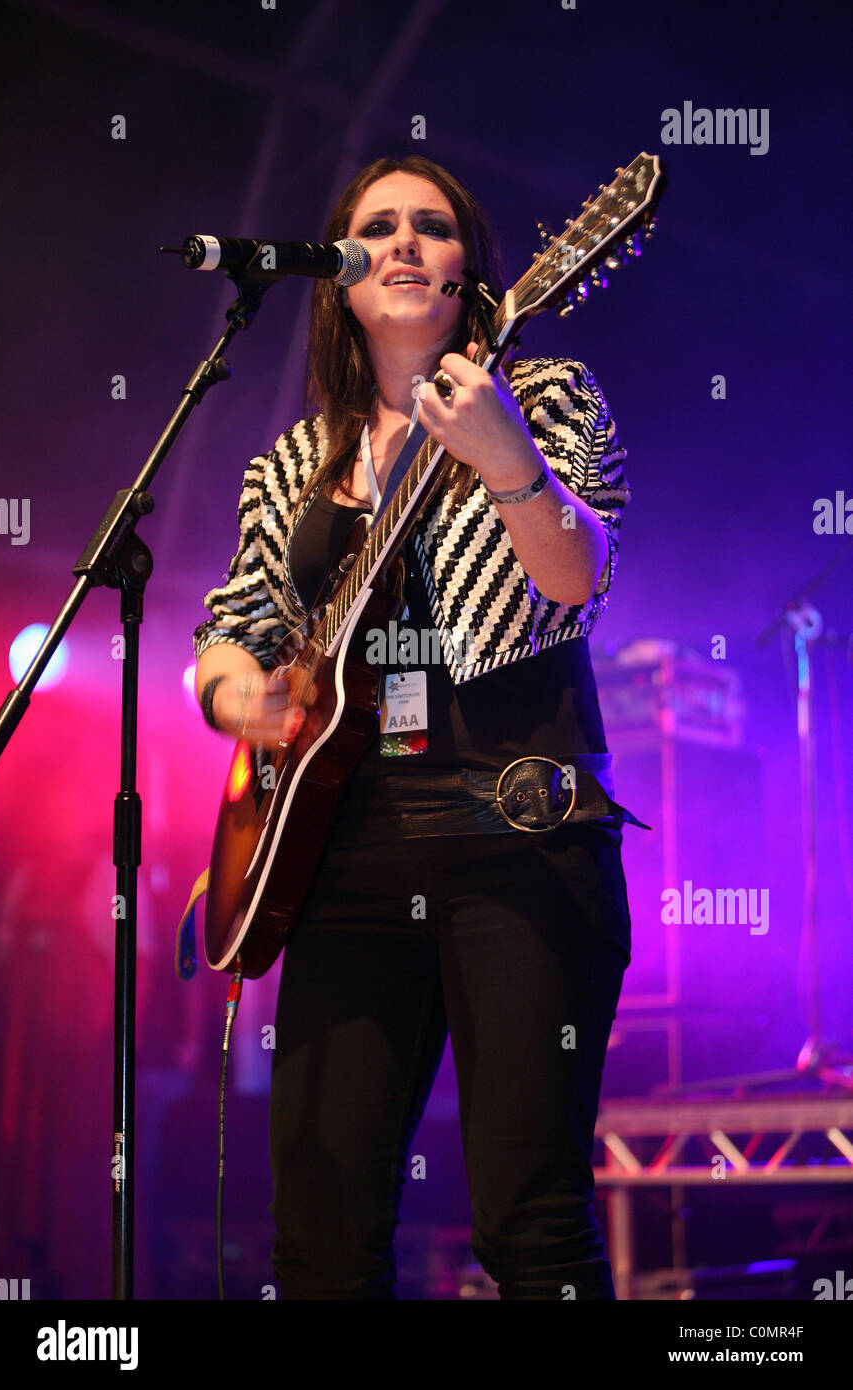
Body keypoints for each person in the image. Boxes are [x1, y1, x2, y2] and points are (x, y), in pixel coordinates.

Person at [193, 154, 640, 1300]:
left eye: (429, 227)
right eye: (374, 228)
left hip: (516, 844)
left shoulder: (539, 396)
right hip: (345, 861)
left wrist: (508, 464)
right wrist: (244, 696)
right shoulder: (289, 464)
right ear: (337, 278)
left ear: (469, 272)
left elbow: (576, 575)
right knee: (321, 1244)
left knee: (528, 1225)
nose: (399, 242)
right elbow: (230, 630)